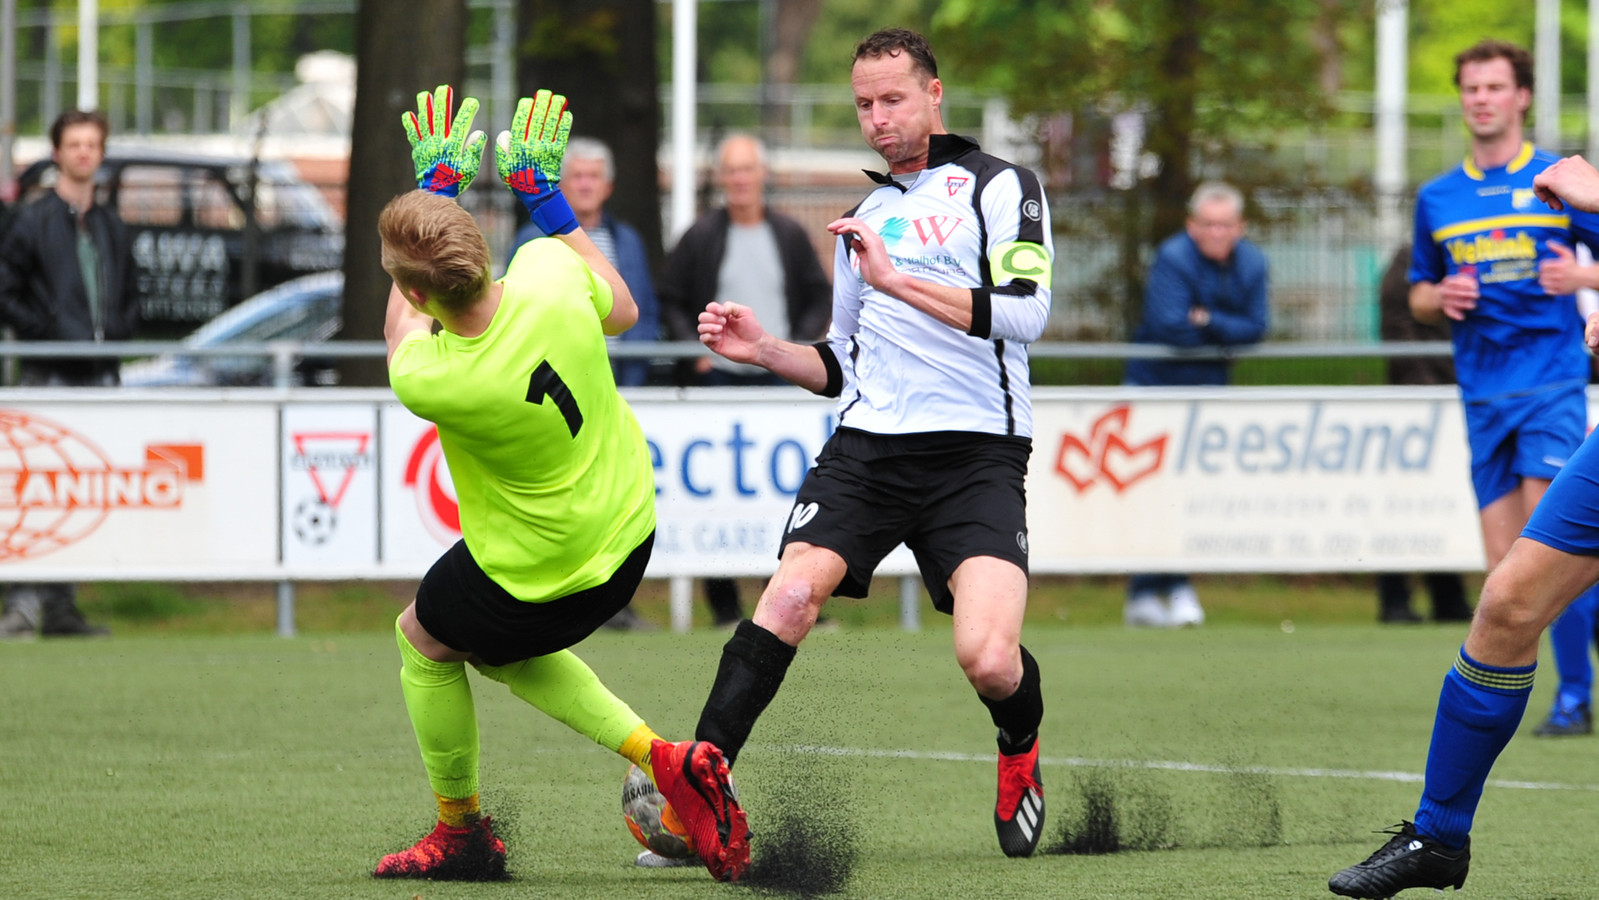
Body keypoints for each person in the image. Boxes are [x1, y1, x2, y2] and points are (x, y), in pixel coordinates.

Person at [689, 27, 1053, 858]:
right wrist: (764, 349)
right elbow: (844, 363)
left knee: (989, 660)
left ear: (933, 94)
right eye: (862, 104)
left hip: (976, 455)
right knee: (788, 598)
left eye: (892, 99)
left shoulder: (1000, 186)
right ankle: (698, 791)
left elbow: (1027, 311)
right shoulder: (863, 218)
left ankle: (1019, 747)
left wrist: (897, 280)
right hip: (868, 450)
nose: (877, 118)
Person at [371, 85, 747, 883]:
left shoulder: (433, 377)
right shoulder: (548, 269)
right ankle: (664, 759)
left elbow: (401, 327)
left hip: (540, 575)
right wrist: (546, 203)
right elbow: (625, 308)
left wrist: (433, 189)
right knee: (492, 651)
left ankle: (462, 832)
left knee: (423, 639)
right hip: (629, 536)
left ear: (415, 288)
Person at [1329, 41, 1599, 898]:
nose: (1480, 99)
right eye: (1469, 88)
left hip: (1551, 388)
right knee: (1507, 592)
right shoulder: (1441, 197)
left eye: (1495, 86)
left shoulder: (1561, 180)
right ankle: (1438, 838)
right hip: (1484, 395)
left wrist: (1583, 267)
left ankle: (1574, 696)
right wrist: (1436, 297)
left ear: (1521, 97)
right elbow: (1416, 288)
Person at [658, 132, 833, 627]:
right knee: (717, 493)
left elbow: (820, 294)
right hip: (719, 379)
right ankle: (725, 609)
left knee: (788, 495)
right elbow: (670, 299)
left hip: (778, 380)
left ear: (763, 175)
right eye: (731, 170)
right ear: (721, 178)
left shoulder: (788, 235)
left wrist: (796, 345)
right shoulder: (700, 236)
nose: (739, 179)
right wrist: (695, 352)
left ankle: (789, 600)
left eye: (747, 169)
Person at [509, 136, 661, 632]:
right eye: (576, 176)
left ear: (608, 185)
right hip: (557, 396)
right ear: (561, 183)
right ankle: (553, 602)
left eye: (594, 176)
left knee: (616, 503)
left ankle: (611, 602)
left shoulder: (628, 240)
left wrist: (633, 377)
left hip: (616, 391)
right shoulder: (531, 238)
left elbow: (642, 310)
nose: (586, 184)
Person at [0, 108, 139, 640]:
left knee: (80, 492)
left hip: (100, 376)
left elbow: (130, 293)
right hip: (49, 373)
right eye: (74, 144)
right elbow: (6, 290)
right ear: (57, 153)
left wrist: (117, 333)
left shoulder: (109, 224)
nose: (84, 153)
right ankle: (21, 607)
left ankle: (61, 608)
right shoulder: (31, 221)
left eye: (92, 144)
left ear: (101, 153)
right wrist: (47, 331)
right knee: (36, 489)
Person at [1121, 181, 1268, 628]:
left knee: (1189, 494)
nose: (1217, 233)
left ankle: (1166, 587)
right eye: (1208, 224)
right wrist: (1224, 335)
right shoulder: (1173, 256)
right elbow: (1169, 326)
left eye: (1225, 225)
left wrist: (1206, 320)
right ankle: (1152, 591)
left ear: (1240, 227)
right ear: (1192, 225)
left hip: (1207, 393)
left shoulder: (1254, 262)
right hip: (1155, 389)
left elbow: (1257, 328)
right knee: (1152, 494)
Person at [1372, 243, 1474, 625]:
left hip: (1455, 396)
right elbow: (1401, 334)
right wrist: (1430, 395)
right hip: (1420, 404)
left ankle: (1447, 596)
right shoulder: (1409, 260)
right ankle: (1394, 598)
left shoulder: (1464, 250)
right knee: (1404, 502)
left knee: (1441, 500)